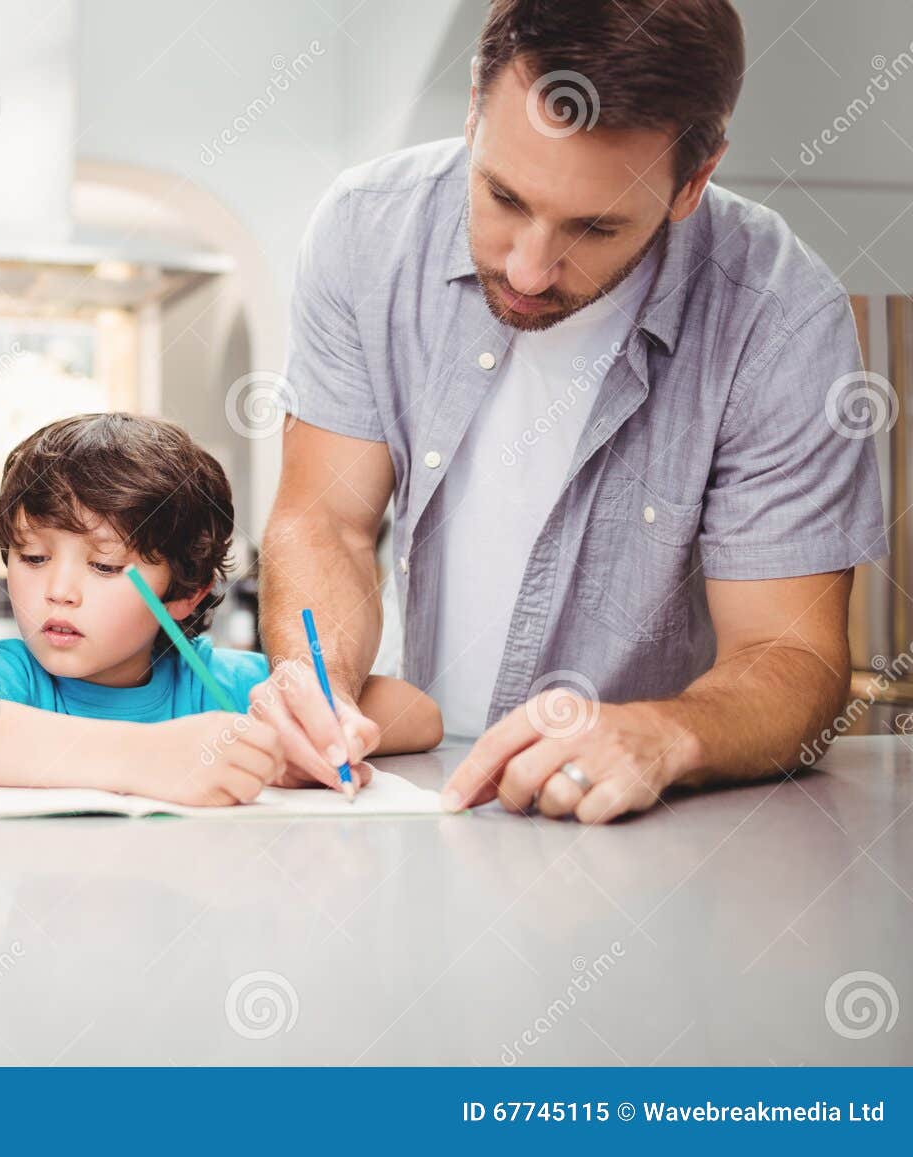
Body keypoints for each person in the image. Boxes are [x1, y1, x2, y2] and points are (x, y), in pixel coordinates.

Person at [254, 0, 885, 822]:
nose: (527, 268)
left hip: (651, 828)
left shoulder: (780, 318)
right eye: (505, 197)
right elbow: (326, 519)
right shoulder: (366, 231)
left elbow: (790, 654)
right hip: (417, 800)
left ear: (693, 183)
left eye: (594, 227)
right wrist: (316, 682)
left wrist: (662, 737)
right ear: (475, 110)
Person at [0, 414, 442, 806]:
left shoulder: (218, 681)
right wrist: (151, 757)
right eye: (34, 557)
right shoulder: (11, 674)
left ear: (185, 591)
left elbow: (419, 714)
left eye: (105, 566)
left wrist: (310, 734)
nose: (58, 590)